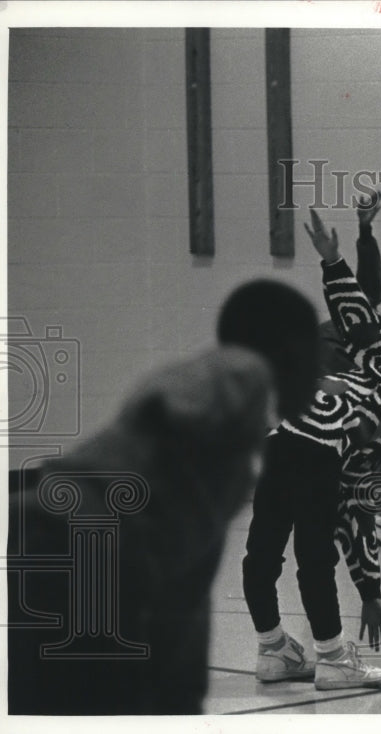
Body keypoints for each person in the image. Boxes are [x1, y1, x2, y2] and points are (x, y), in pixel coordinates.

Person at [7, 279, 321, 714]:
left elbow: (186, 598)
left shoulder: (225, 457)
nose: (322, 373)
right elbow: (174, 400)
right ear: (291, 353)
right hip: (82, 538)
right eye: (317, 357)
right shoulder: (242, 372)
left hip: (63, 535)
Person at [241, 208, 381, 691]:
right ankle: (331, 659)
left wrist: (333, 261)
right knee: (313, 559)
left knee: (261, 554)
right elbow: (355, 509)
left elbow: (359, 313)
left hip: (277, 436)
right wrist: (369, 590)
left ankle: (273, 650)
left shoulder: (364, 366)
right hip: (318, 451)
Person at [318, 191, 381, 546]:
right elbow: (364, 291)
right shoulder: (373, 344)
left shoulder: (355, 324)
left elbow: (364, 290)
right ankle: (363, 521)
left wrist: (364, 232)